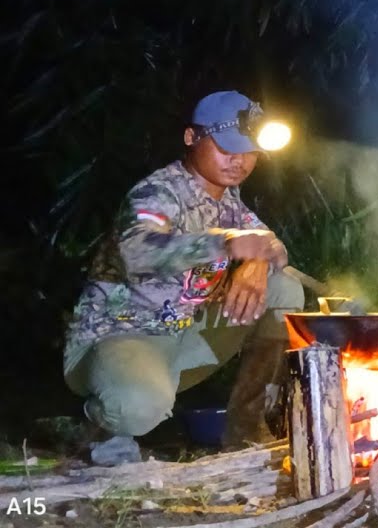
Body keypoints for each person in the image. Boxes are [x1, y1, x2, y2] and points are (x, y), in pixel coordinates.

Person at [62, 90, 304, 465]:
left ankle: (244, 430)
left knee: (284, 288)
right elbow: (138, 251)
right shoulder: (158, 192)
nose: (238, 160)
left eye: (249, 150)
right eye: (226, 147)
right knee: (137, 407)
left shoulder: (228, 201)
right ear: (191, 138)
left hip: (182, 337)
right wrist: (224, 244)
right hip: (119, 336)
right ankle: (100, 423)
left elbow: (274, 247)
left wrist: (257, 263)